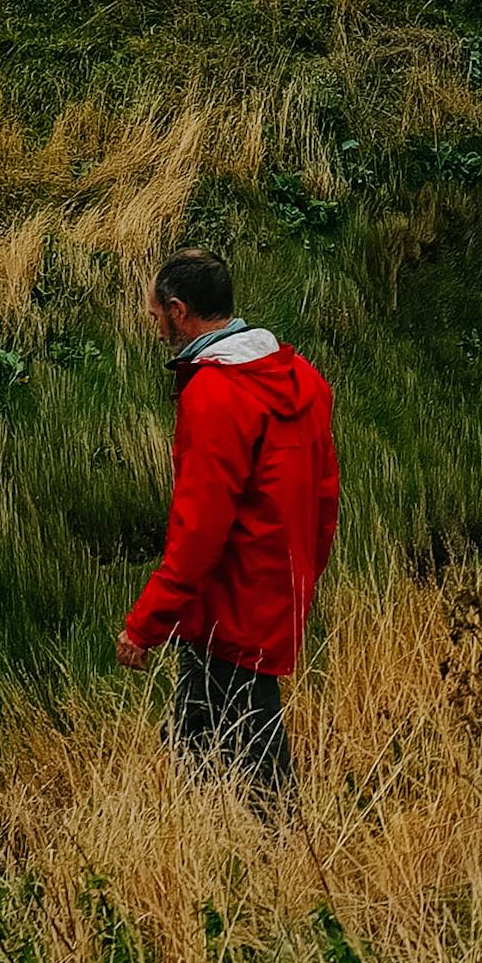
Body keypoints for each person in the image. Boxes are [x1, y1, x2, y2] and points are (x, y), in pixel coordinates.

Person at [123, 246, 340, 804]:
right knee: (195, 748)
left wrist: (145, 624)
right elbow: (325, 496)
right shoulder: (303, 380)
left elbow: (198, 530)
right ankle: (215, 860)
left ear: (179, 310)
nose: (154, 324)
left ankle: (285, 869)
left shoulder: (214, 395)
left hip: (229, 602)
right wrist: (304, 578)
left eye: (155, 315)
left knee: (257, 768)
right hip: (274, 586)